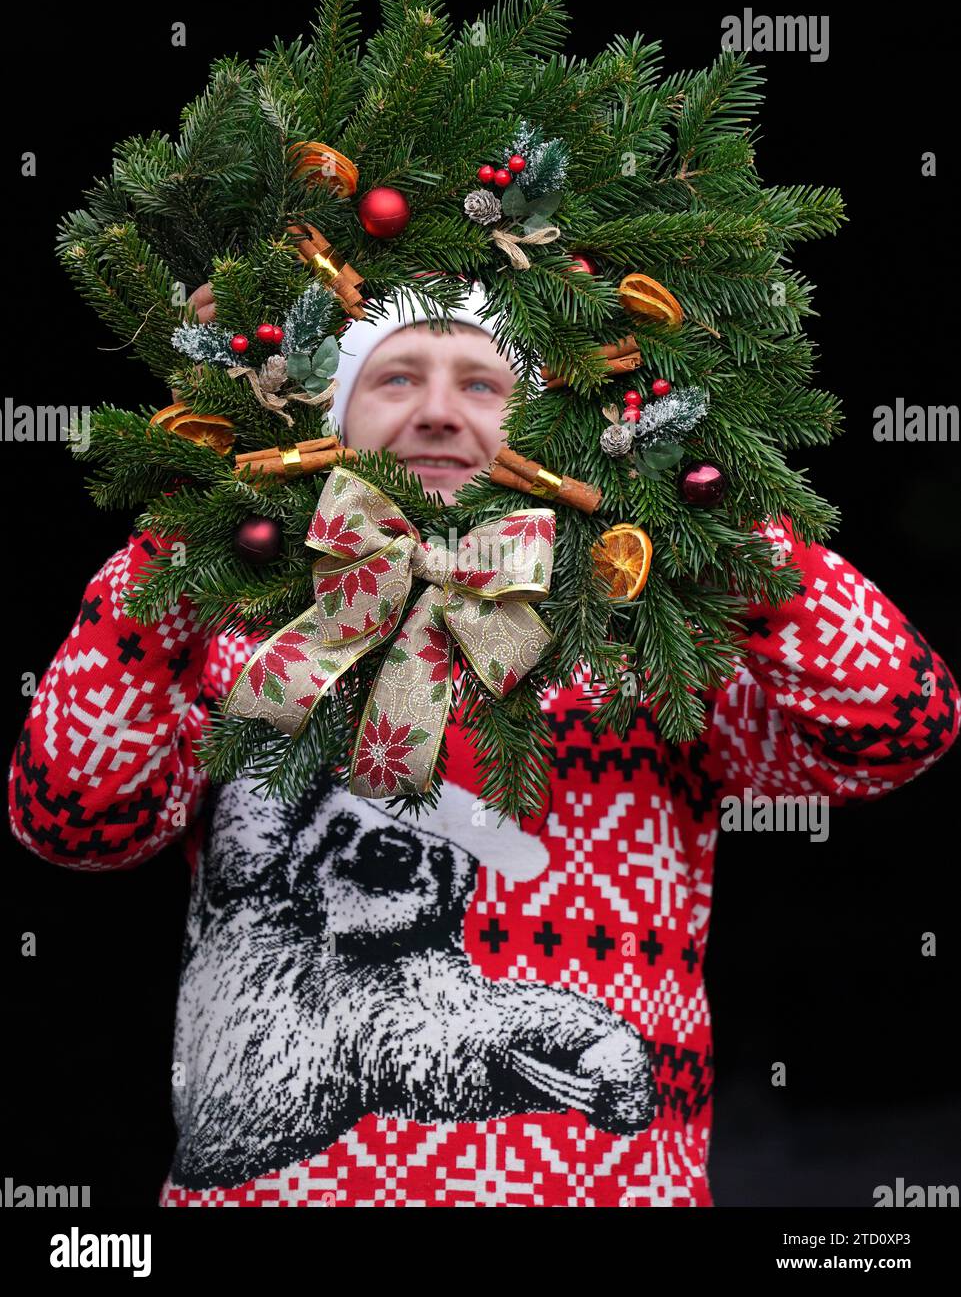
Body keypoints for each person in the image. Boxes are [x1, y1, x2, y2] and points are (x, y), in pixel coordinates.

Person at [8, 280, 960, 1207]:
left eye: (481, 383)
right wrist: (178, 543)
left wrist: (707, 511)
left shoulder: (653, 636)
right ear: (332, 416)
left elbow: (894, 725)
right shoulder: (243, 627)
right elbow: (76, 820)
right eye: (394, 378)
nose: (435, 413)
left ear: (547, 427)